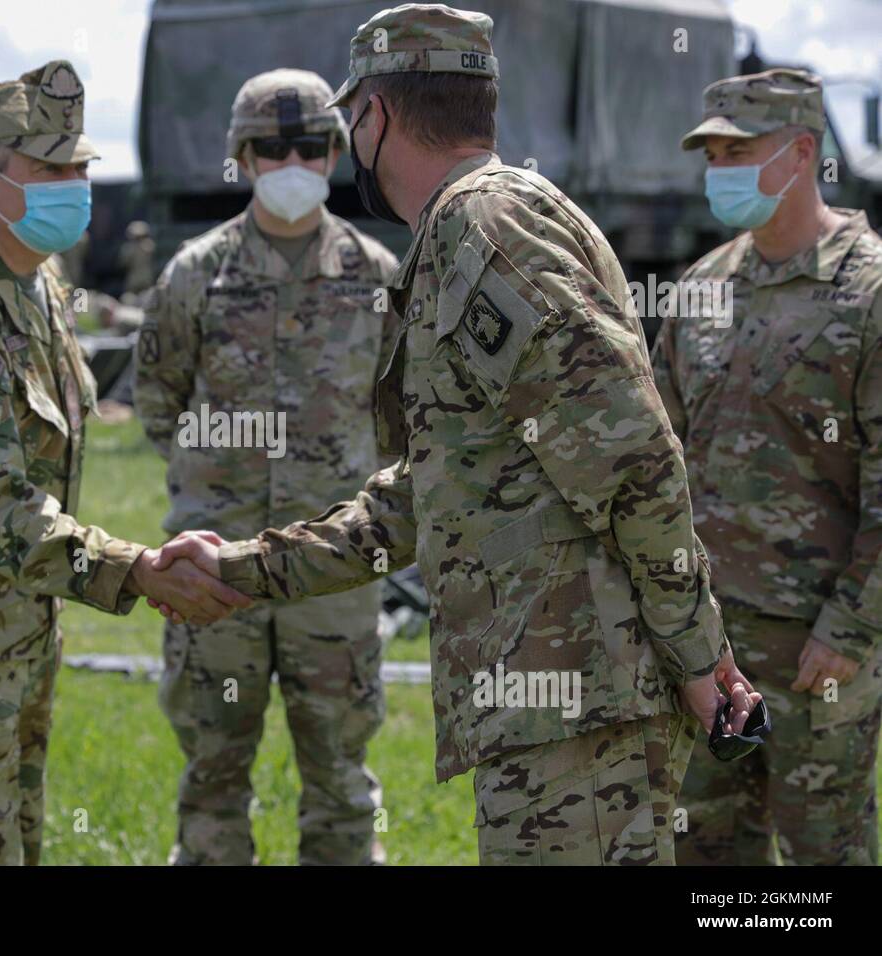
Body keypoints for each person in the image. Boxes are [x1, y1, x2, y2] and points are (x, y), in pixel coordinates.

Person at [153, 3, 761, 866]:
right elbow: (428, 488)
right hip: (548, 702)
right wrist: (245, 568)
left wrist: (703, 663)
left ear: (374, 117)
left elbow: (630, 453)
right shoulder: (473, 227)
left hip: (574, 706)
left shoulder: (483, 229)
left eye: (346, 119)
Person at [0, 60, 250, 866]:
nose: (75, 184)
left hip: (23, 633)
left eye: (80, 166)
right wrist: (134, 569)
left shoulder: (33, 280)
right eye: (50, 168)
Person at [134, 68, 400, 865]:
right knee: (212, 781)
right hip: (215, 575)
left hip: (335, 576)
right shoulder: (194, 275)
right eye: (272, 147)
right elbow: (158, 403)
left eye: (311, 145)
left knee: (342, 782)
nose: (293, 161)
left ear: (334, 152)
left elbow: (401, 415)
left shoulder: (378, 278)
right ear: (242, 158)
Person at [655, 68, 882, 866]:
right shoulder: (700, 290)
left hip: (820, 650)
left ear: (801, 152)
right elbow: (660, 467)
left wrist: (851, 629)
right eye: (711, 154)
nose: (721, 171)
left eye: (738, 151)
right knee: (708, 854)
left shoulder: (870, 291)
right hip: (709, 652)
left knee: (826, 855)